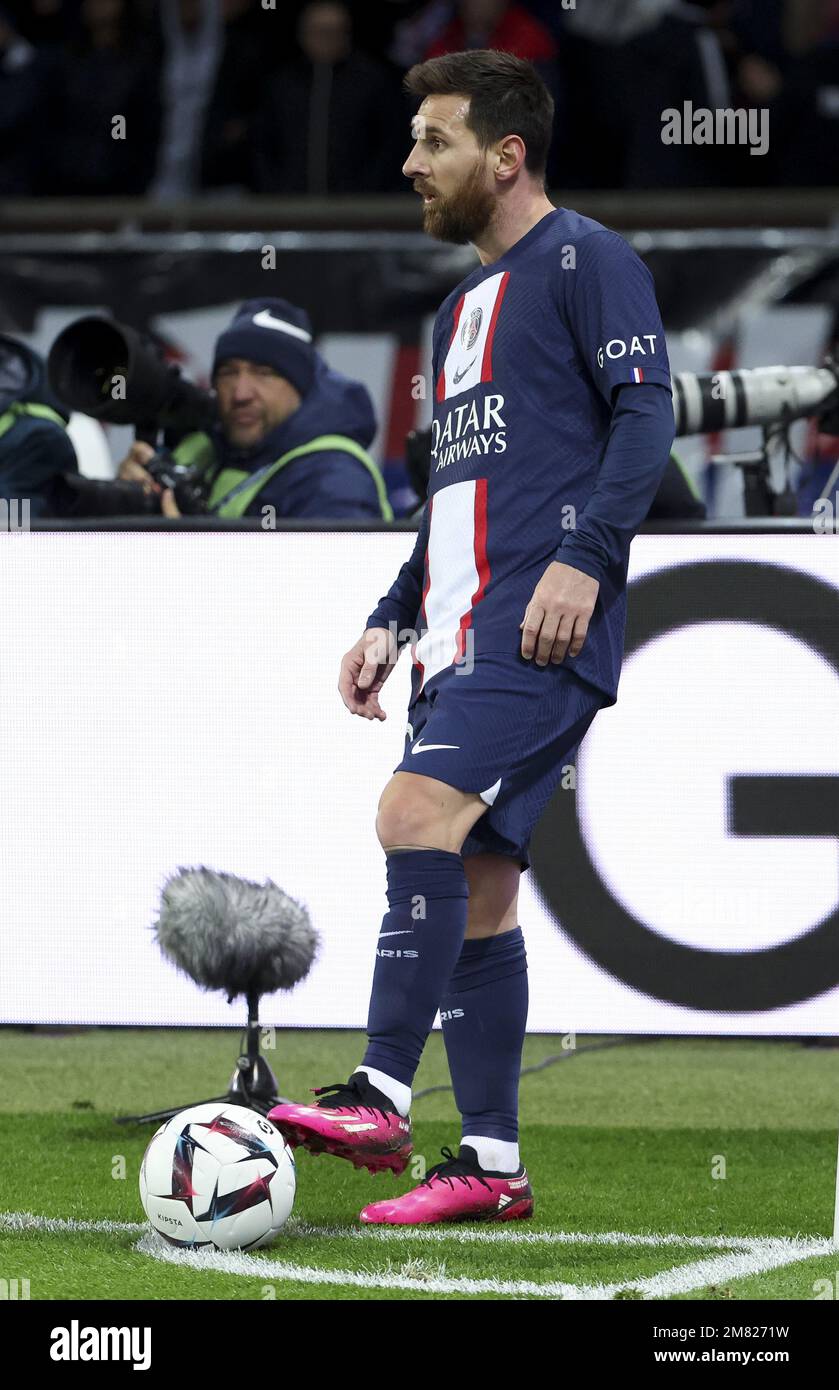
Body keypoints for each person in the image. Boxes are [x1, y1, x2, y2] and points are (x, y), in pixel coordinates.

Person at [268, 49, 674, 1223]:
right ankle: (489, 1164)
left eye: (430, 141)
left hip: (536, 625)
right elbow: (453, 486)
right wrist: (391, 617)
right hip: (454, 635)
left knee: (410, 815)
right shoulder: (453, 314)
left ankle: (381, 1095)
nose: (408, 164)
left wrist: (583, 558)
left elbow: (644, 419)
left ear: (503, 155)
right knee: (482, 884)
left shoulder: (588, 262)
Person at [121, 297, 393, 521]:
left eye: (264, 374)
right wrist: (129, 501)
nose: (241, 394)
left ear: (300, 386)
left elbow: (336, 586)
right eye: (228, 373)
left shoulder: (334, 476)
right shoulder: (205, 450)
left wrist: (184, 554)